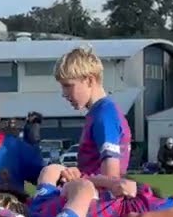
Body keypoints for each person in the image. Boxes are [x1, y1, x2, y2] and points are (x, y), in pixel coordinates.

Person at [54, 45, 130, 178]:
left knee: (50, 173)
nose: (64, 93)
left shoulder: (105, 115)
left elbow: (111, 177)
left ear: (89, 80)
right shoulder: (98, 113)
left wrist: (78, 178)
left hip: (98, 191)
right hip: (93, 187)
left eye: (68, 86)